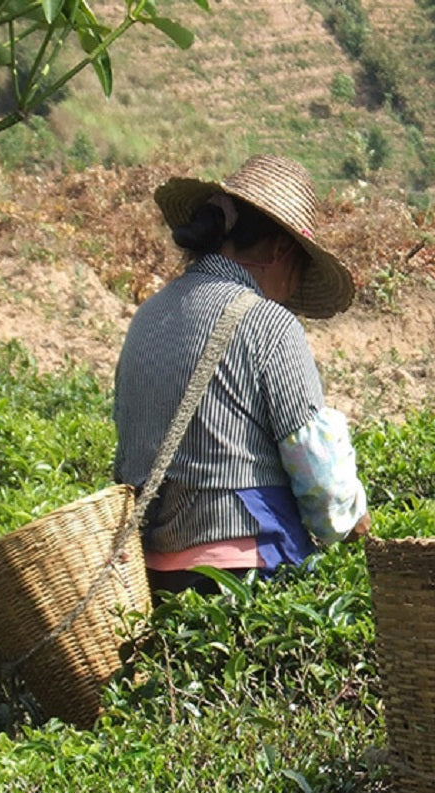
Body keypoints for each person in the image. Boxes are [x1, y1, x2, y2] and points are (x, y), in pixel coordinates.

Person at [113, 153, 370, 594]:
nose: (292, 290)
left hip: (147, 577)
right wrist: (358, 524)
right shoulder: (268, 324)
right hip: (244, 574)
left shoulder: (147, 316)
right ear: (280, 250)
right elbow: (321, 480)